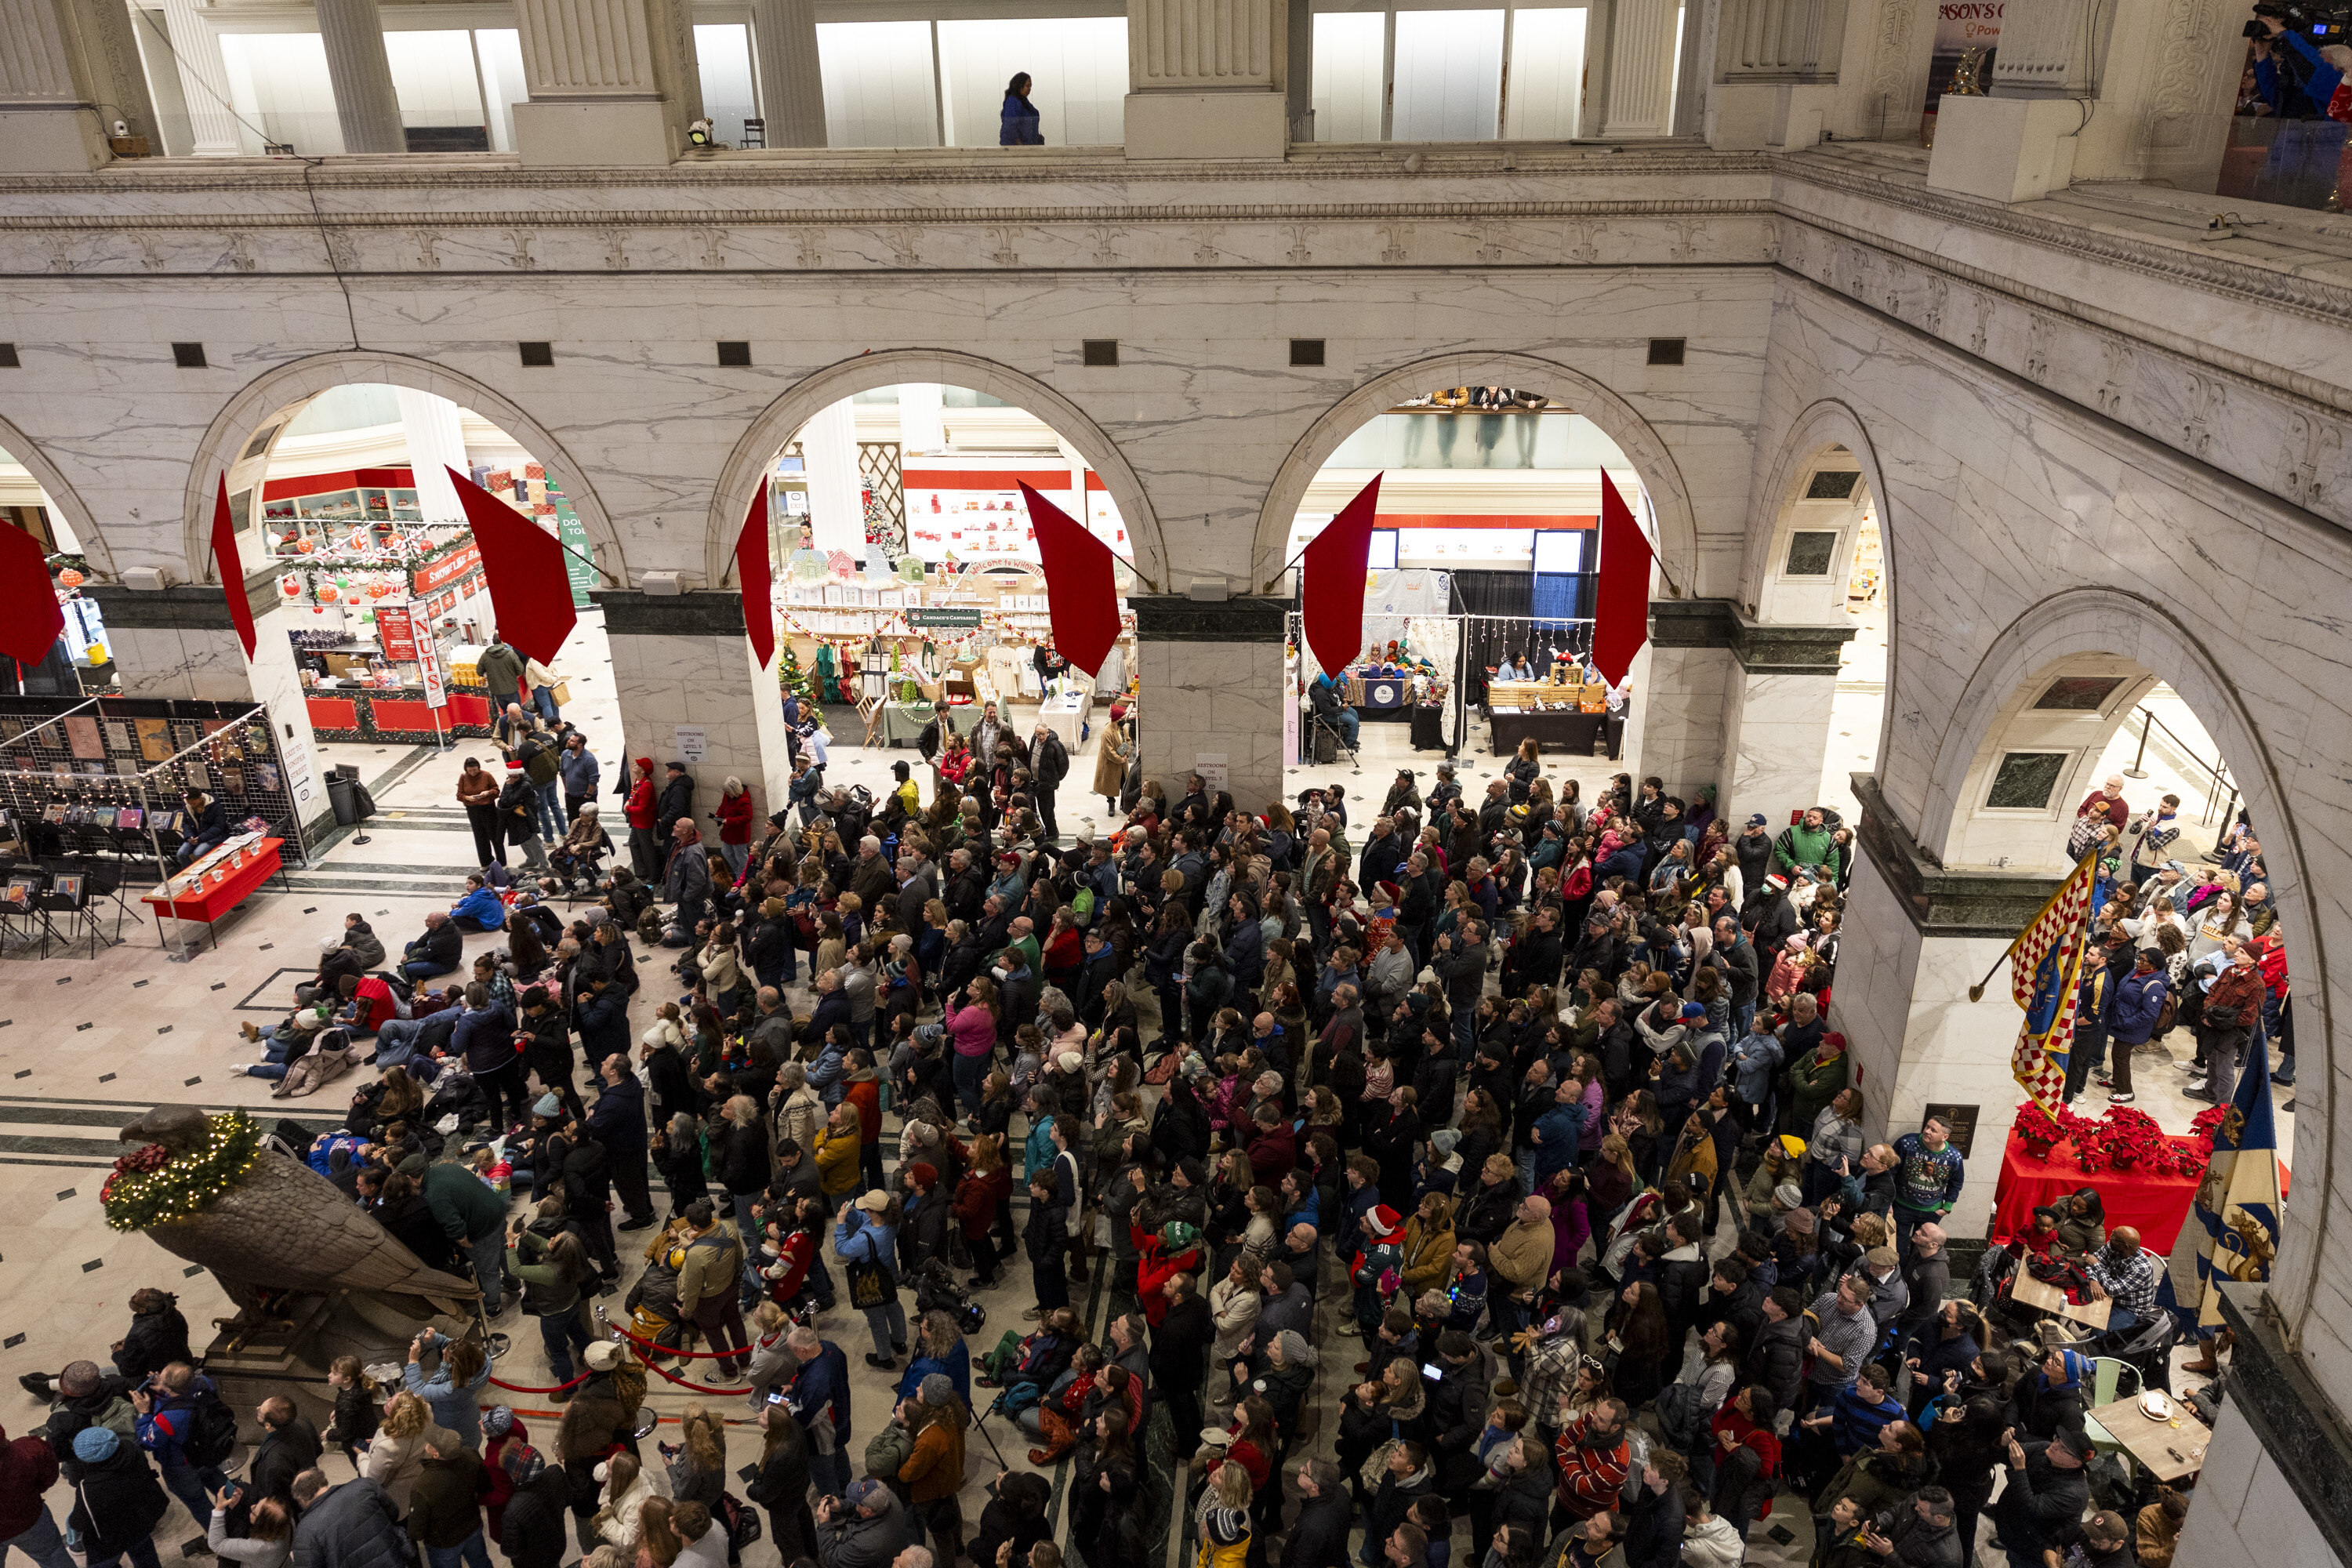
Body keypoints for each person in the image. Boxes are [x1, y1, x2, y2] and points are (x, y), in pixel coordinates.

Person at [1000, 73, 1043, 144]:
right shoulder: (1012, 101)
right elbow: (1010, 126)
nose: (1029, 89)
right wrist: (1020, 146)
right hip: (1015, 148)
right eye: (1027, 86)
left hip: (1030, 146)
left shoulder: (1026, 103)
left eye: (1030, 86)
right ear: (1019, 86)